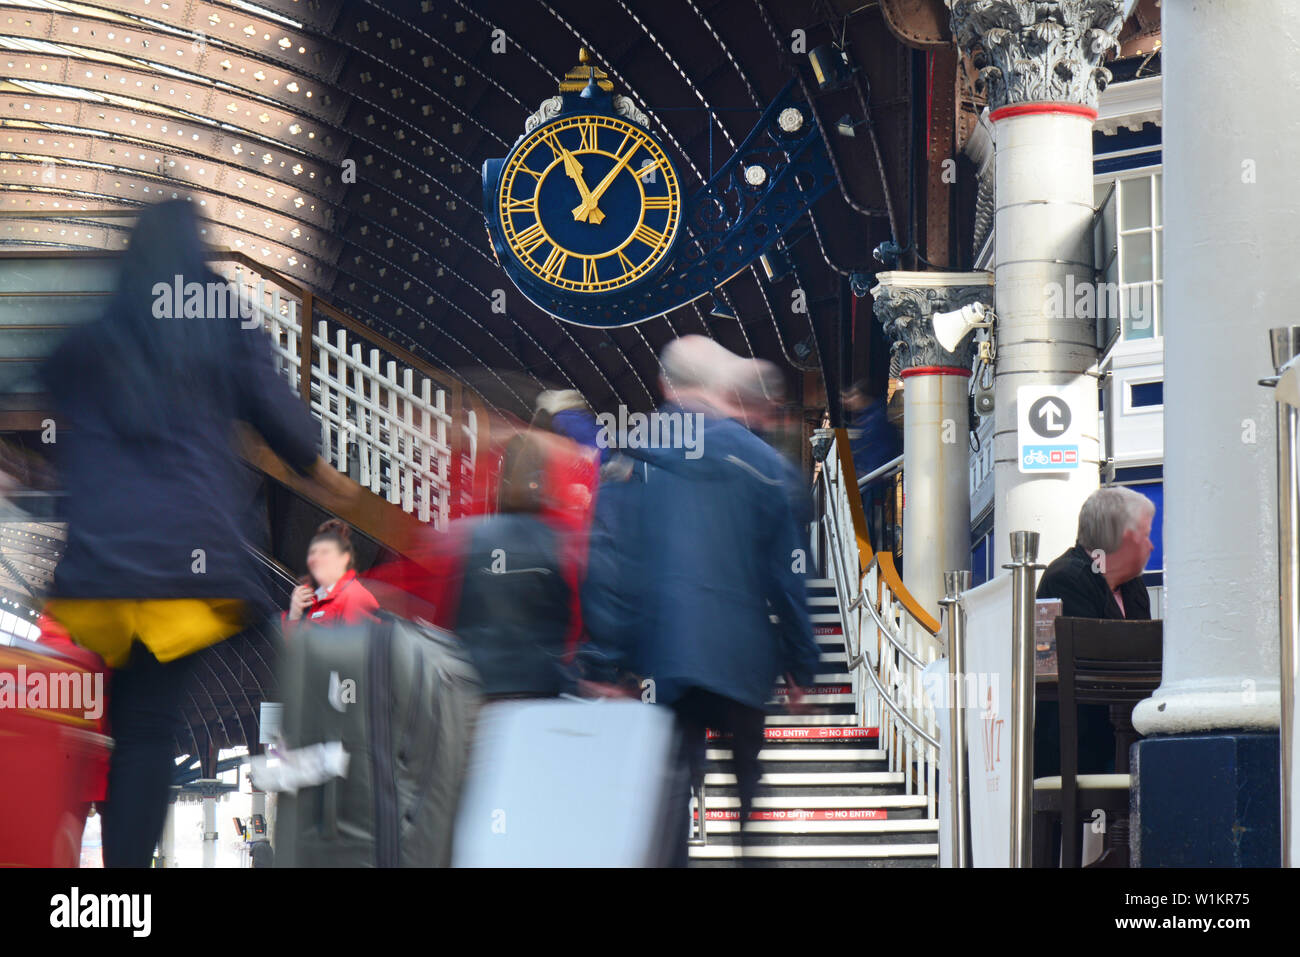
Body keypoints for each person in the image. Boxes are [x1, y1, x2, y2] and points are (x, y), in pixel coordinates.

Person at [39, 199, 355, 867]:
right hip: (187, 569)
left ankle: (87, 869)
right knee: (160, 722)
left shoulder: (99, 332)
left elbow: (51, 375)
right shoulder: (217, 319)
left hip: (102, 570)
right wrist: (325, 475)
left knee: (125, 725)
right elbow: (293, 433)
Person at [581, 335, 821, 865]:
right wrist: (803, 663)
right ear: (718, 385)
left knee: (667, 799)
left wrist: (603, 660)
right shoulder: (766, 466)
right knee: (750, 801)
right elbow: (789, 574)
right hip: (743, 660)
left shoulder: (632, 457)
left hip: (660, 660)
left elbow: (608, 564)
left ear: (664, 384)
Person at [1035, 486, 1156, 778]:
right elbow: (1102, 671)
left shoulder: (1133, 587)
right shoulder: (1067, 577)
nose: (1150, 546)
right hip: (1080, 746)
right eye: (1143, 534)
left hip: (1128, 735)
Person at [285, 518, 380, 628]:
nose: (316, 558)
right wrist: (294, 615)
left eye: (325, 552)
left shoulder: (355, 597)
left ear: (344, 558)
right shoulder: (315, 596)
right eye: (313, 551)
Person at [842, 379, 901, 550]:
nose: (850, 401)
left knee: (870, 518)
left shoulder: (875, 420)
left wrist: (864, 471)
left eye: (853, 396)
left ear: (861, 396)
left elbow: (882, 450)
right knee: (868, 517)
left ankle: (870, 548)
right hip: (870, 480)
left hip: (872, 481)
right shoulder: (871, 418)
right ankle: (869, 547)